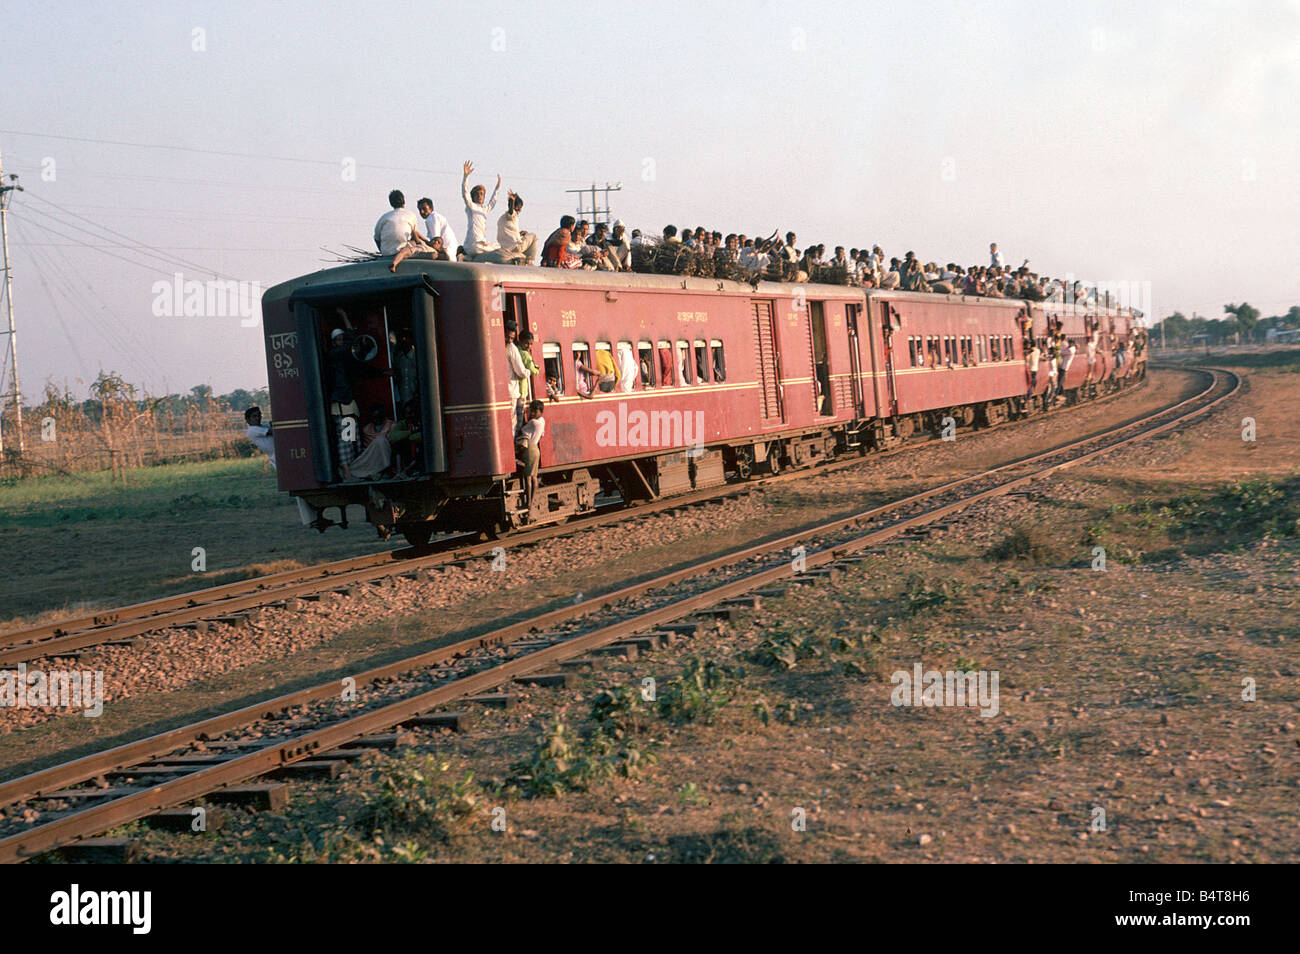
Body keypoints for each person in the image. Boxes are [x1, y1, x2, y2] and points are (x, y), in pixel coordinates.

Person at [245, 405, 327, 528]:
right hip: (279, 460)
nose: (258, 418)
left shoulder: (262, 426)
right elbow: (275, 430)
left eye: (259, 415)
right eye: (255, 416)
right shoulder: (252, 430)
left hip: (284, 457)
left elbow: (275, 424)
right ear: (248, 420)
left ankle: (316, 516)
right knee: (298, 488)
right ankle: (310, 519)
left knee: (303, 485)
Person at [460, 160, 509, 262]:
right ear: (473, 196)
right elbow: (465, 194)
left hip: (482, 244)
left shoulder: (484, 210)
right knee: (496, 251)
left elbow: (492, 203)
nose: (479, 196)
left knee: (500, 246)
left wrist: (497, 189)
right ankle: (465, 256)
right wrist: (465, 177)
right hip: (473, 245)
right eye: (477, 194)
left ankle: (467, 257)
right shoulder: (471, 207)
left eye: (482, 194)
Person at [375, 190, 432, 271]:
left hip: (386, 253)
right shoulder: (411, 215)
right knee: (418, 245)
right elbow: (415, 237)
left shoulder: (384, 217)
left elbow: (376, 238)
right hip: (402, 251)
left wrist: (383, 251)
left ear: (391, 203)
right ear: (404, 201)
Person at [343, 403, 395, 481]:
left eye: (378, 417)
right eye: (373, 418)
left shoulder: (392, 426)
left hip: (387, 457)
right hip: (373, 460)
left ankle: (383, 470)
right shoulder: (366, 429)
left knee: (381, 440)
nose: (375, 420)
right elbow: (367, 452)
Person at [515, 399, 546, 508]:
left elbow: (522, 430)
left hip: (530, 449)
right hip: (536, 449)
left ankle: (529, 502)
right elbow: (542, 434)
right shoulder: (542, 421)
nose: (532, 414)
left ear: (540, 411)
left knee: (528, 477)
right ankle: (532, 501)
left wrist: (525, 416)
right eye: (532, 411)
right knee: (534, 477)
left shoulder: (533, 422)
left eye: (534, 411)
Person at [497, 191, 539, 264]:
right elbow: (511, 210)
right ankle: (529, 260)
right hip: (515, 248)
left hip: (504, 247)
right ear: (517, 207)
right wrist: (511, 201)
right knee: (533, 236)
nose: (520, 210)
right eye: (520, 208)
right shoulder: (512, 214)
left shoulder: (502, 218)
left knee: (525, 237)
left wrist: (518, 235)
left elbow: (508, 234)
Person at [393, 333, 418, 405]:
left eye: (407, 339)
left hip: (414, 394)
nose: (405, 342)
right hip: (402, 396)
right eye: (403, 340)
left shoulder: (417, 355)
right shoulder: (398, 357)